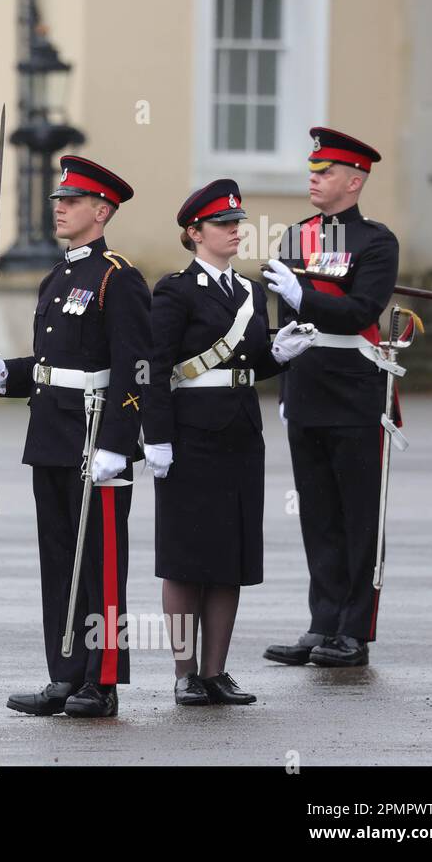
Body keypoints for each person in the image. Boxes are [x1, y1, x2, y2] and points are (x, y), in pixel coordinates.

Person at [0, 155, 150, 718]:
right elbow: (53, 362)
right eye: (58, 201)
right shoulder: (60, 274)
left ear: (102, 210)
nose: (60, 209)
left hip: (96, 435)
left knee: (99, 564)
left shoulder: (119, 277)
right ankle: (65, 672)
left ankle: (103, 678)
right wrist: (6, 373)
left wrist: (119, 442)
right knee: (60, 560)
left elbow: (136, 368)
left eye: (71, 202)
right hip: (51, 433)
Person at [142, 180, 317, 706]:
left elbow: (248, 364)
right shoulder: (174, 290)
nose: (235, 232)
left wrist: (279, 356)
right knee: (185, 556)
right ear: (194, 233)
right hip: (190, 436)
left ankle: (215, 672)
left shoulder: (248, 293)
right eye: (223, 225)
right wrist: (157, 437)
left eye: (237, 223)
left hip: (241, 434)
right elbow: (154, 369)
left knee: (229, 555)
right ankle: (184, 673)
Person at [262, 128, 399, 668]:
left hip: (356, 387)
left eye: (324, 172)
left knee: (359, 512)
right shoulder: (297, 236)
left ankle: (354, 630)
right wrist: (283, 378)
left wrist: (306, 296)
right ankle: (323, 622)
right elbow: (285, 320)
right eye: (312, 171)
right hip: (310, 383)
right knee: (317, 513)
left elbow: (362, 311)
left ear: (354, 180)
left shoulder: (376, 242)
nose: (313, 179)